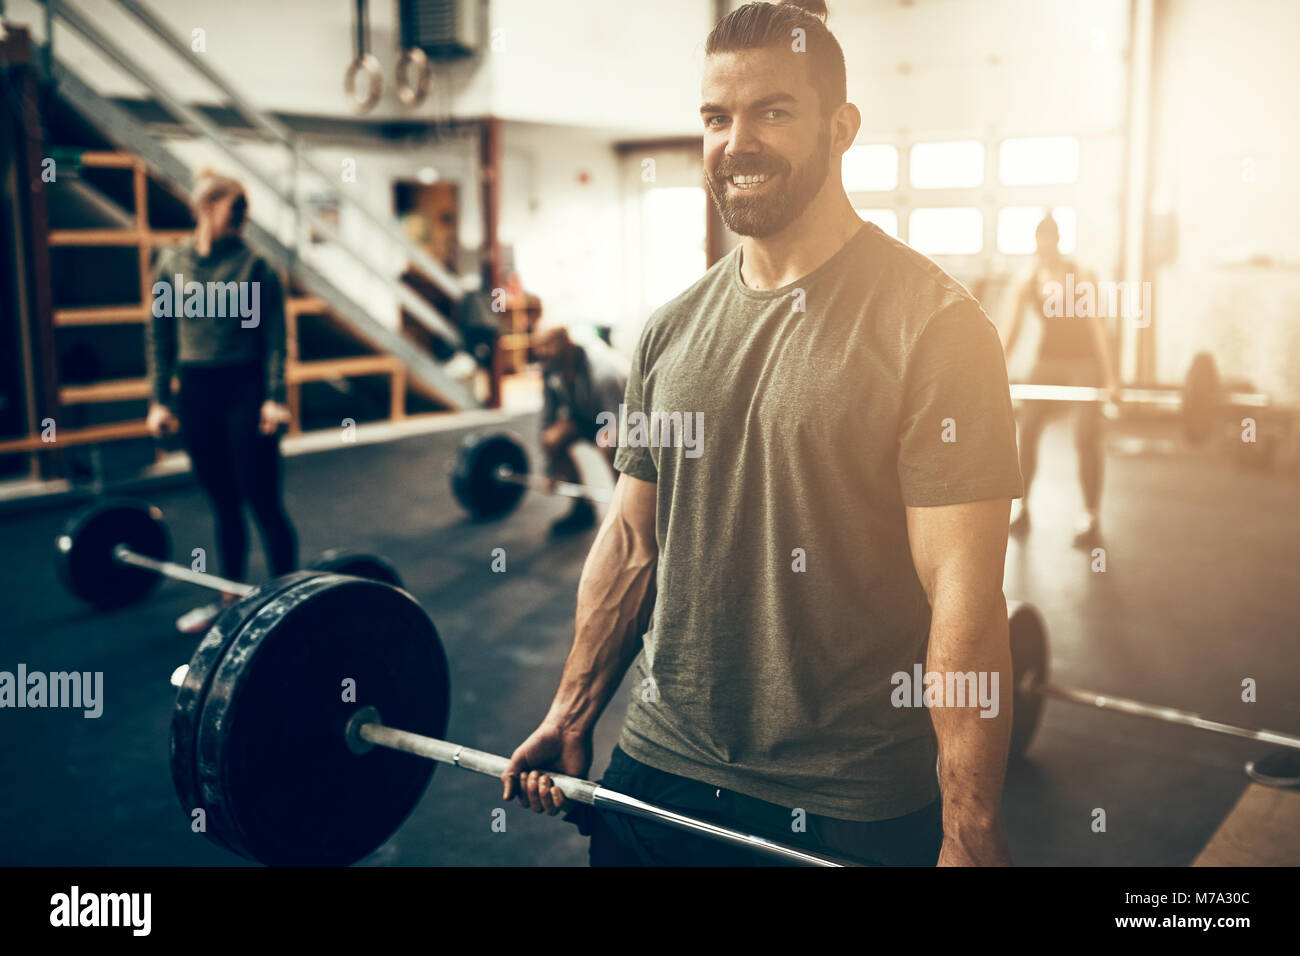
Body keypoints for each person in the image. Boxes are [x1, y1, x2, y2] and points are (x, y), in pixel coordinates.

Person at [502, 0, 1023, 866]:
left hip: (841, 802)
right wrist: (572, 708)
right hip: (655, 770)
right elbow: (633, 540)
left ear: (841, 127)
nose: (736, 143)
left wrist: (970, 828)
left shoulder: (934, 328)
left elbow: (965, 601)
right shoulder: (670, 329)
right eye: (717, 117)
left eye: (772, 112)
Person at [144, 169, 297, 633]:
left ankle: (289, 600)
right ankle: (229, 597)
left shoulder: (256, 266)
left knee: (262, 499)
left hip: (246, 389)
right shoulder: (171, 265)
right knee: (223, 501)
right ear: (207, 208)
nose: (243, 222)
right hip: (196, 390)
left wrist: (274, 397)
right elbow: (159, 336)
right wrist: (158, 400)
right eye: (236, 211)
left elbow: (275, 339)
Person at [1002, 215, 1121, 548]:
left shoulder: (1082, 276)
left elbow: (1099, 327)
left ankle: (1090, 515)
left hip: (1083, 362)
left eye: (1050, 242)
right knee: (1026, 430)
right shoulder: (1028, 279)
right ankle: (1023, 508)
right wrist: (992, 370)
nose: (1045, 249)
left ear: (1058, 242)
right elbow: (1012, 330)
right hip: (1048, 361)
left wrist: (1111, 379)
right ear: (1036, 243)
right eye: (1040, 243)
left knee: (1085, 436)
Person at [532, 319, 629, 535]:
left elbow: (617, 421)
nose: (541, 352)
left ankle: (625, 513)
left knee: (608, 443)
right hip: (586, 418)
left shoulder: (603, 370)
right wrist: (549, 469)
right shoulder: (550, 369)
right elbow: (547, 418)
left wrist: (606, 438)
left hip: (626, 421)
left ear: (566, 343)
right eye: (538, 345)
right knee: (552, 438)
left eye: (547, 345)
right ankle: (582, 509)